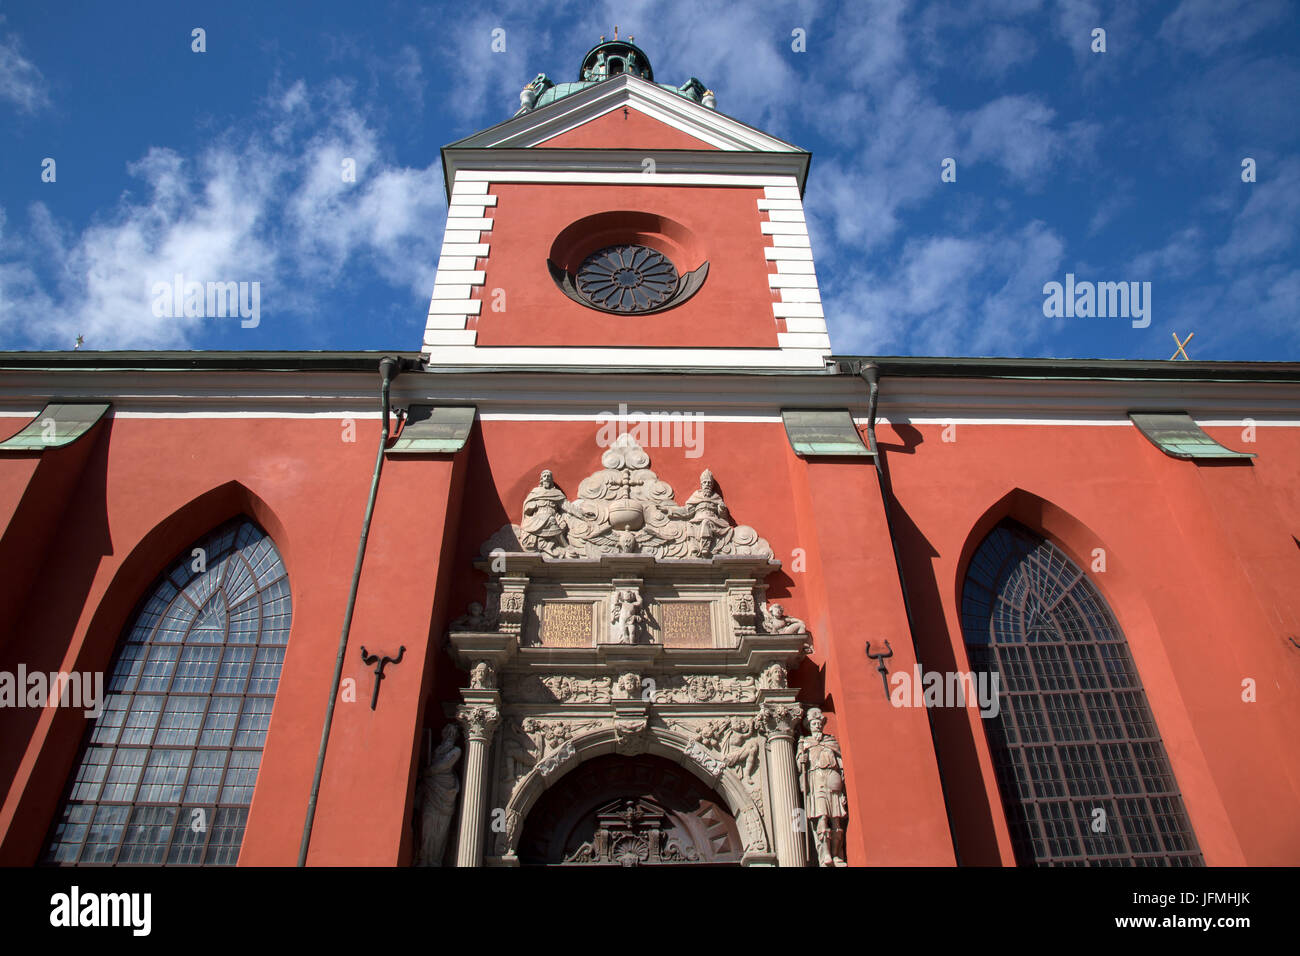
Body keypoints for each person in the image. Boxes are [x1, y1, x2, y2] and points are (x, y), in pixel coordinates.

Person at [797, 708, 848, 866]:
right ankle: (825, 854)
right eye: (813, 723)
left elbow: (841, 765)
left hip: (832, 781)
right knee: (822, 818)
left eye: (819, 723)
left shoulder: (830, 741)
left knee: (836, 821)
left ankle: (837, 854)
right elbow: (799, 767)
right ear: (809, 725)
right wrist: (801, 760)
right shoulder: (805, 743)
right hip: (816, 781)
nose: (817, 726)